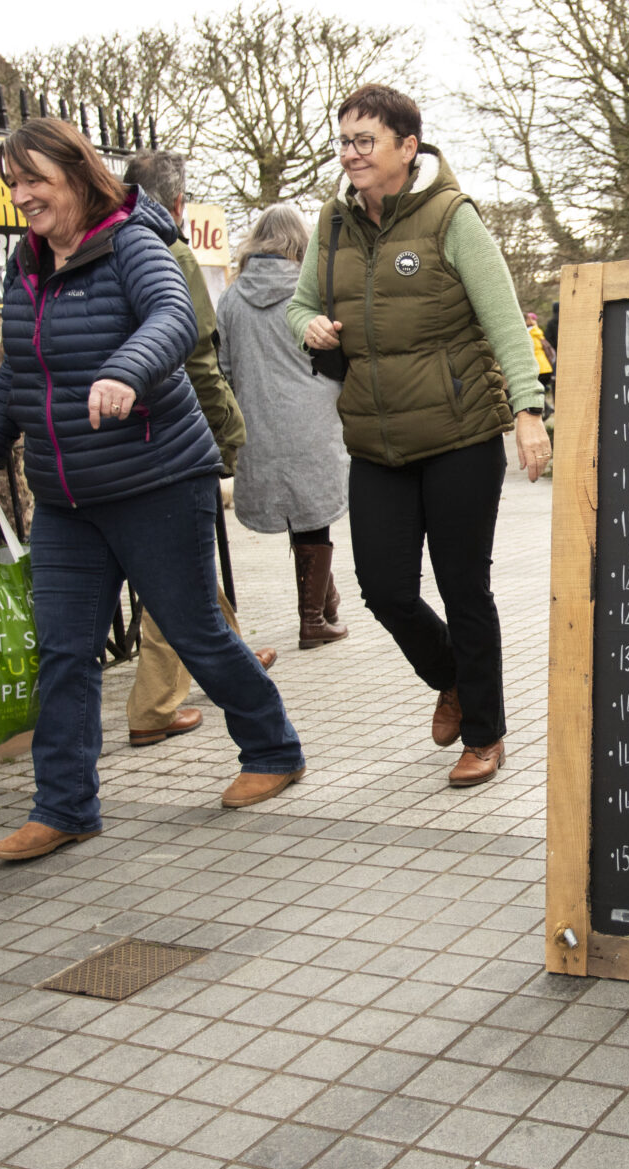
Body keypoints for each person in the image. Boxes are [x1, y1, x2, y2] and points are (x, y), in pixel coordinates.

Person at [0, 118, 307, 862]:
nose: (20, 196)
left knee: (195, 630)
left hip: (156, 478)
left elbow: (174, 318)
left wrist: (125, 368)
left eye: (34, 180)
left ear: (78, 175)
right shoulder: (27, 263)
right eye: (12, 183)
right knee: (63, 652)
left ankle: (273, 749)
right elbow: (21, 368)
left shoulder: (131, 243)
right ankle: (64, 806)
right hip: (66, 498)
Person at [288, 84, 550, 789]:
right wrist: (309, 326)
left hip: (460, 433)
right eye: (344, 140)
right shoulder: (333, 222)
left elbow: (503, 319)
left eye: (365, 140)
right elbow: (300, 304)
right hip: (377, 439)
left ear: (407, 146)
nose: (351, 153)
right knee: (383, 588)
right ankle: (453, 677)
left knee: (465, 587)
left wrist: (528, 410)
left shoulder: (450, 216)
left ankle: (485, 734)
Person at [118, 151, 275, 749]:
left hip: (116, 433)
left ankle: (230, 653)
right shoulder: (170, 251)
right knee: (177, 568)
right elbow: (199, 359)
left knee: (186, 559)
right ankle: (153, 706)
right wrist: (228, 428)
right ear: (178, 203)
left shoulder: (100, 248)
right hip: (170, 432)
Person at [217, 204, 349, 648]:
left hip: (257, 421)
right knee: (312, 510)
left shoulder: (231, 298)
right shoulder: (313, 293)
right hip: (314, 417)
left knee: (300, 511)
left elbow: (223, 368)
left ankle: (327, 603)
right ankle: (313, 620)